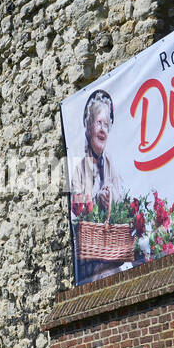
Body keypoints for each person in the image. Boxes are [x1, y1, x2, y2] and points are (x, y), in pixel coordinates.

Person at [70, 89, 126, 281]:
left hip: (111, 253)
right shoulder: (80, 169)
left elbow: (122, 201)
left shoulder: (111, 164)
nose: (103, 130)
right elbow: (76, 209)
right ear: (88, 127)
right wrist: (96, 199)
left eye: (106, 125)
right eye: (98, 123)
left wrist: (112, 199)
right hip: (91, 262)